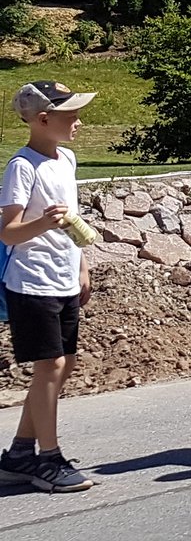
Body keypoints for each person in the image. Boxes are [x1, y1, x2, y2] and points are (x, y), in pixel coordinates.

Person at [0, 81, 99, 492]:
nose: (78, 121)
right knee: (51, 367)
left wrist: (82, 265)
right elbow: (8, 232)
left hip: (63, 276)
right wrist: (43, 222)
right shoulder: (22, 166)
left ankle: (20, 454)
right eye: (69, 114)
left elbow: (71, 223)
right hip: (32, 281)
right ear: (43, 119)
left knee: (64, 364)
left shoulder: (67, 159)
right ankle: (49, 458)